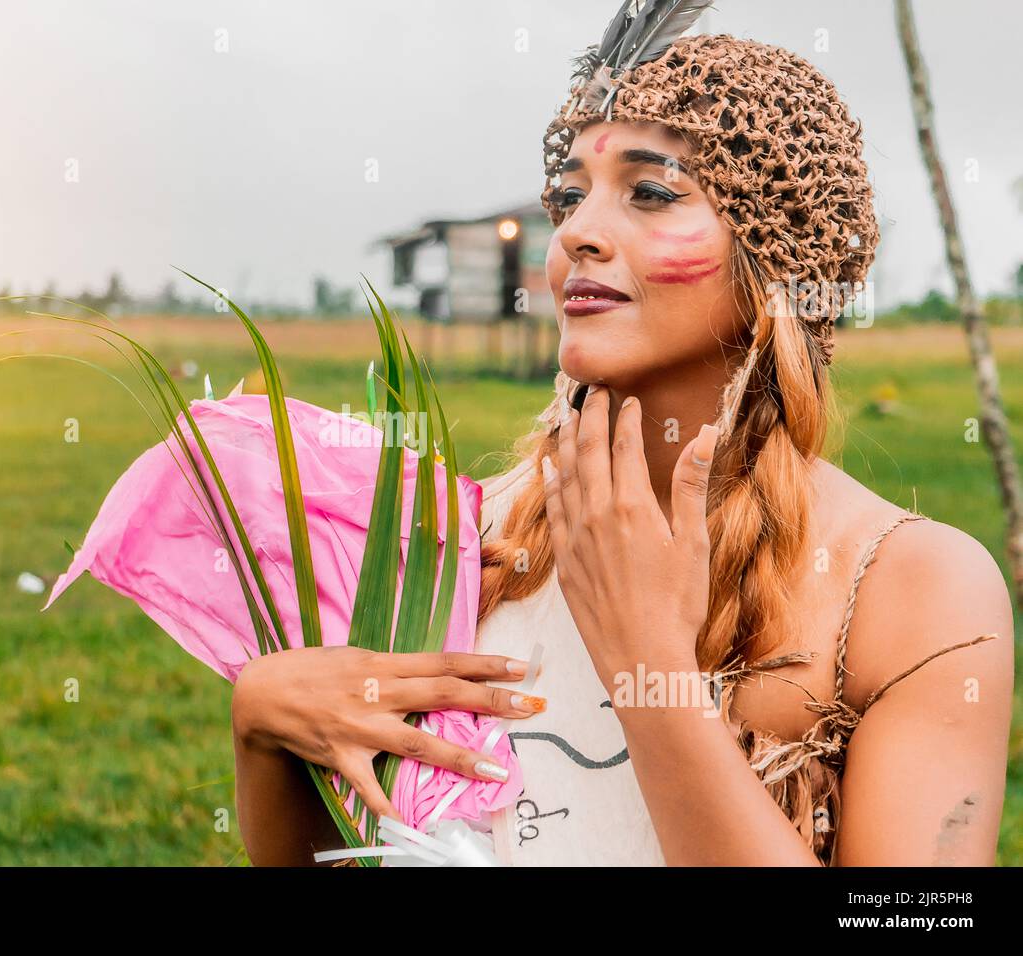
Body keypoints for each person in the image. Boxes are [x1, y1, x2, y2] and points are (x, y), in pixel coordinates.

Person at [230, 23, 1015, 867]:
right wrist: (264, 736)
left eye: (650, 192)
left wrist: (649, 665)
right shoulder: (460, 543)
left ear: (774, 260)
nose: (573, 235)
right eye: (570, 198)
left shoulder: (916, 589)